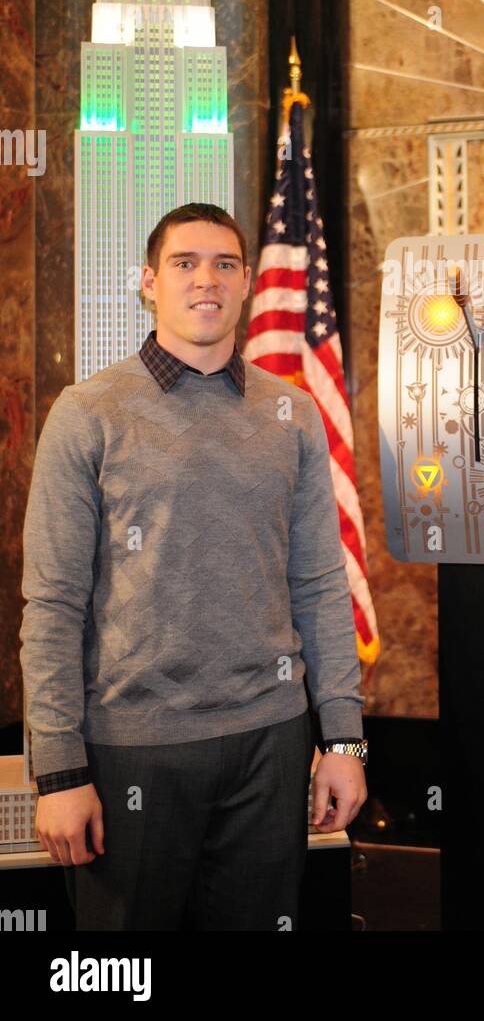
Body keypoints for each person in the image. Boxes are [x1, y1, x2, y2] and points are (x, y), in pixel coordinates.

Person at [20, 203, 367, 930]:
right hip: (131, 755)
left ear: (246, 284)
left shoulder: (293, 413)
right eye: (184, 263)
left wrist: (342, 740)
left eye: (224, 264)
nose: (205, 279)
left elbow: (320, 584)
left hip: (270, 746)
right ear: (147, 282)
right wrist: (58, 772)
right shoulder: (88, 413)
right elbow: (52, 603)